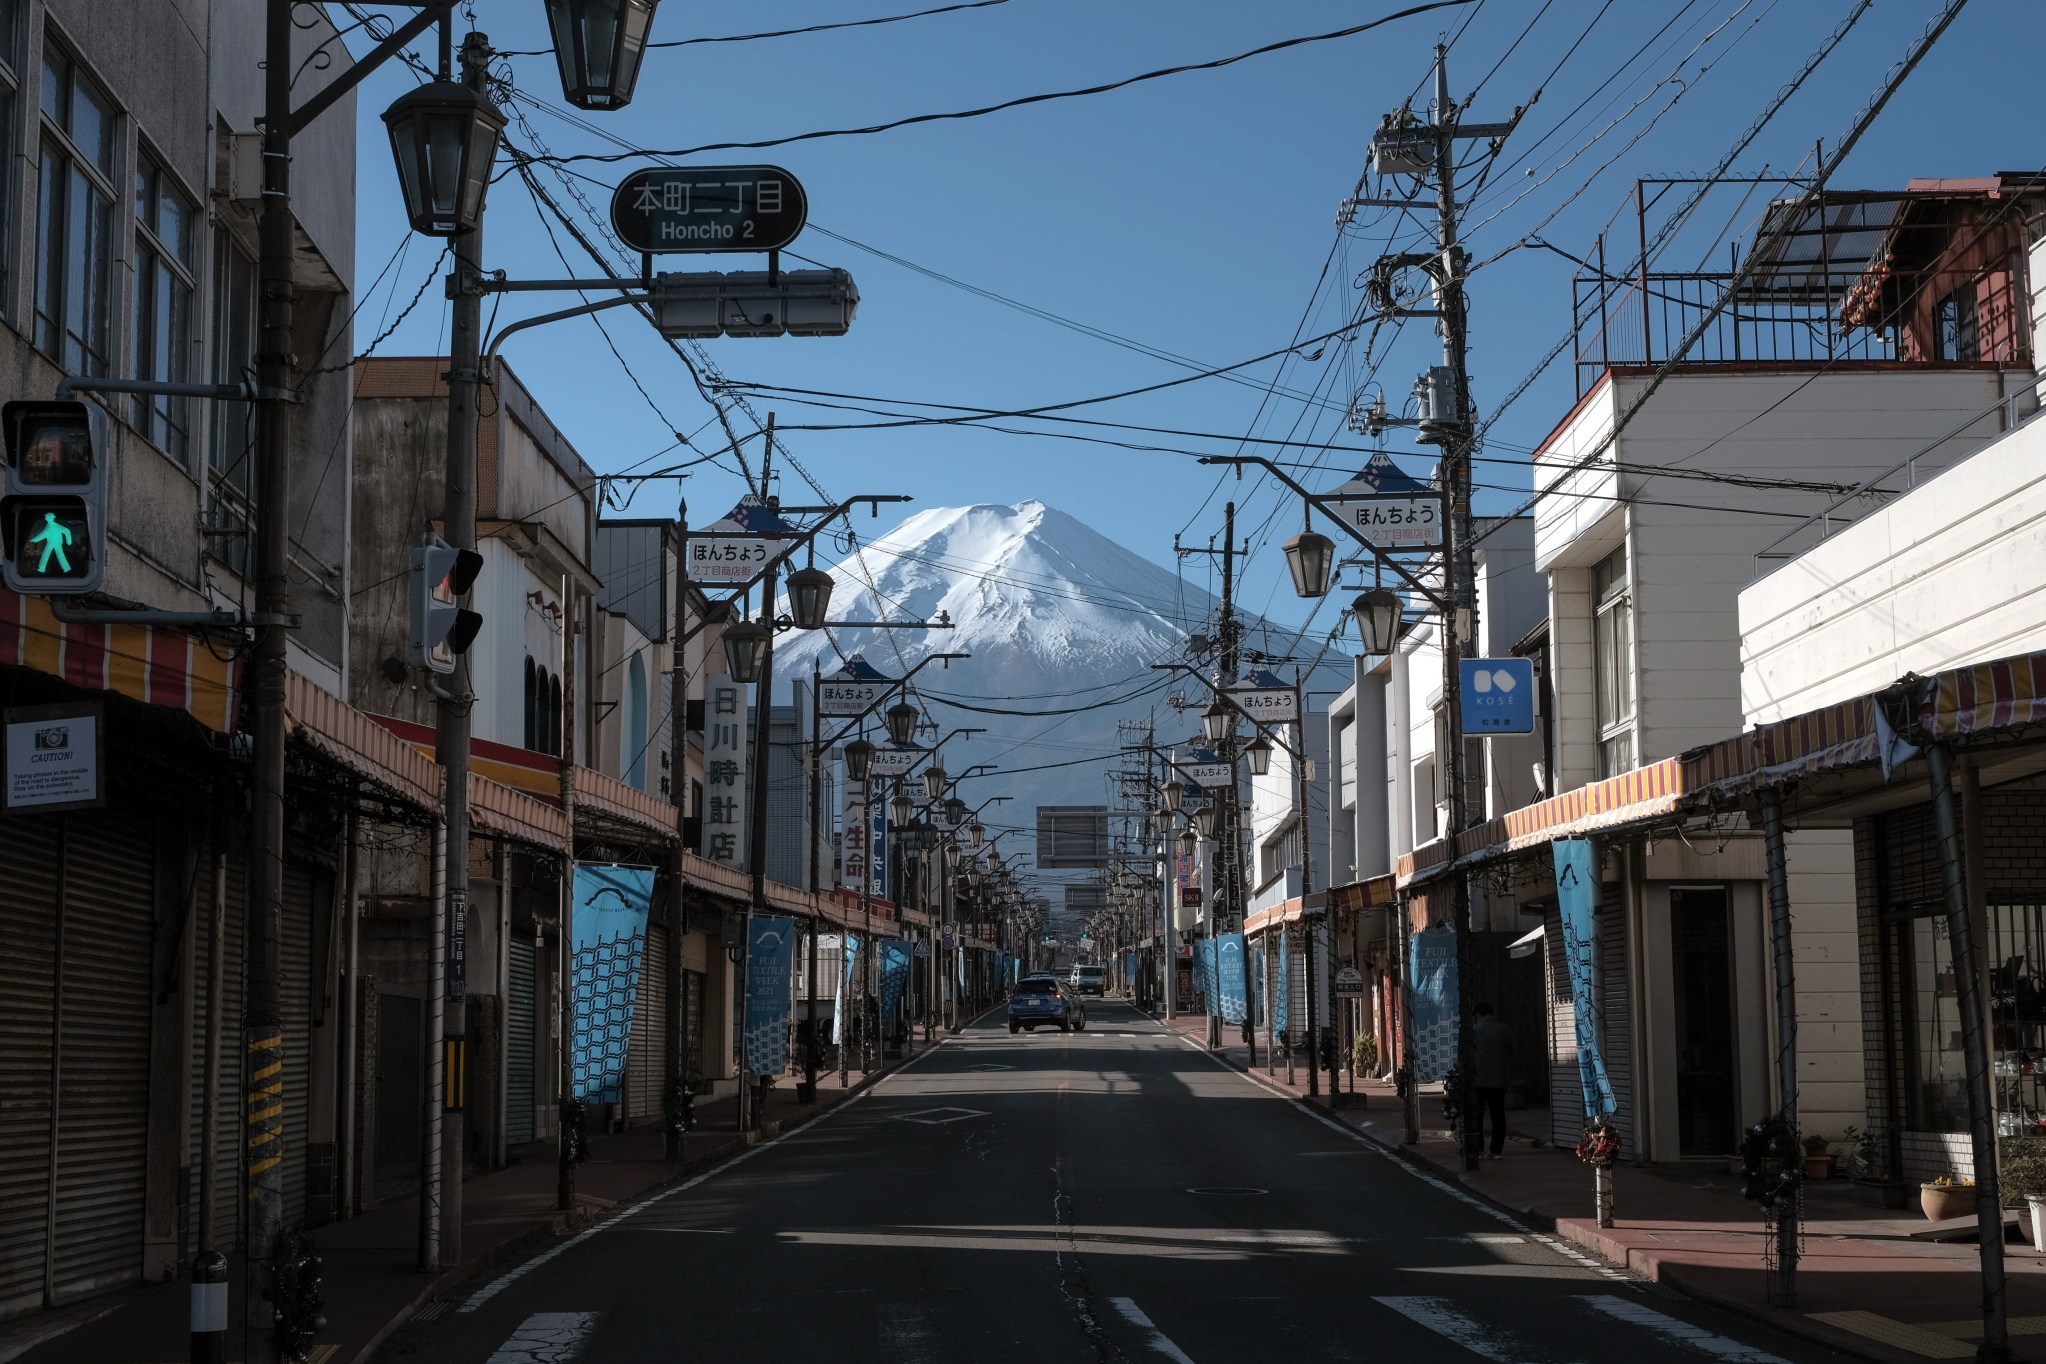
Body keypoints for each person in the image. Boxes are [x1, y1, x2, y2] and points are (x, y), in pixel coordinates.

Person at [1473, 1001, 1513, 1160]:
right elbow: (1512, 1051)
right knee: (1498, 1115)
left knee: (1477, 1116)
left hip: (1479, 1079)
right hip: (1499, 1079)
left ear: (1478, 1015)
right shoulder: (1505, 1030)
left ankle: (1477, 1149)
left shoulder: (1475, 1031)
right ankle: (1496, 1150)